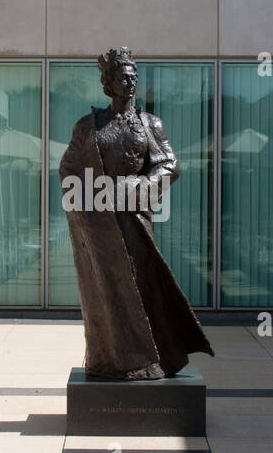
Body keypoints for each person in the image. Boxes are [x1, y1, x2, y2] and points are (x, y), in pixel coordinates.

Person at [59, 47, 213, 379]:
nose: (130, 83)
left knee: (142, 286)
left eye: (133, 77)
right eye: (123, 78)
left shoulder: (151, 124)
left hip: (135, 220)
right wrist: (88, 207)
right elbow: (69, 169)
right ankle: (111, 360)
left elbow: (170, 165)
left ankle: (149, 360)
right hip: (101, 224)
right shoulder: (87, 126)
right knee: (107, 291)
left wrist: (139, 188)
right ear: (108, 83)